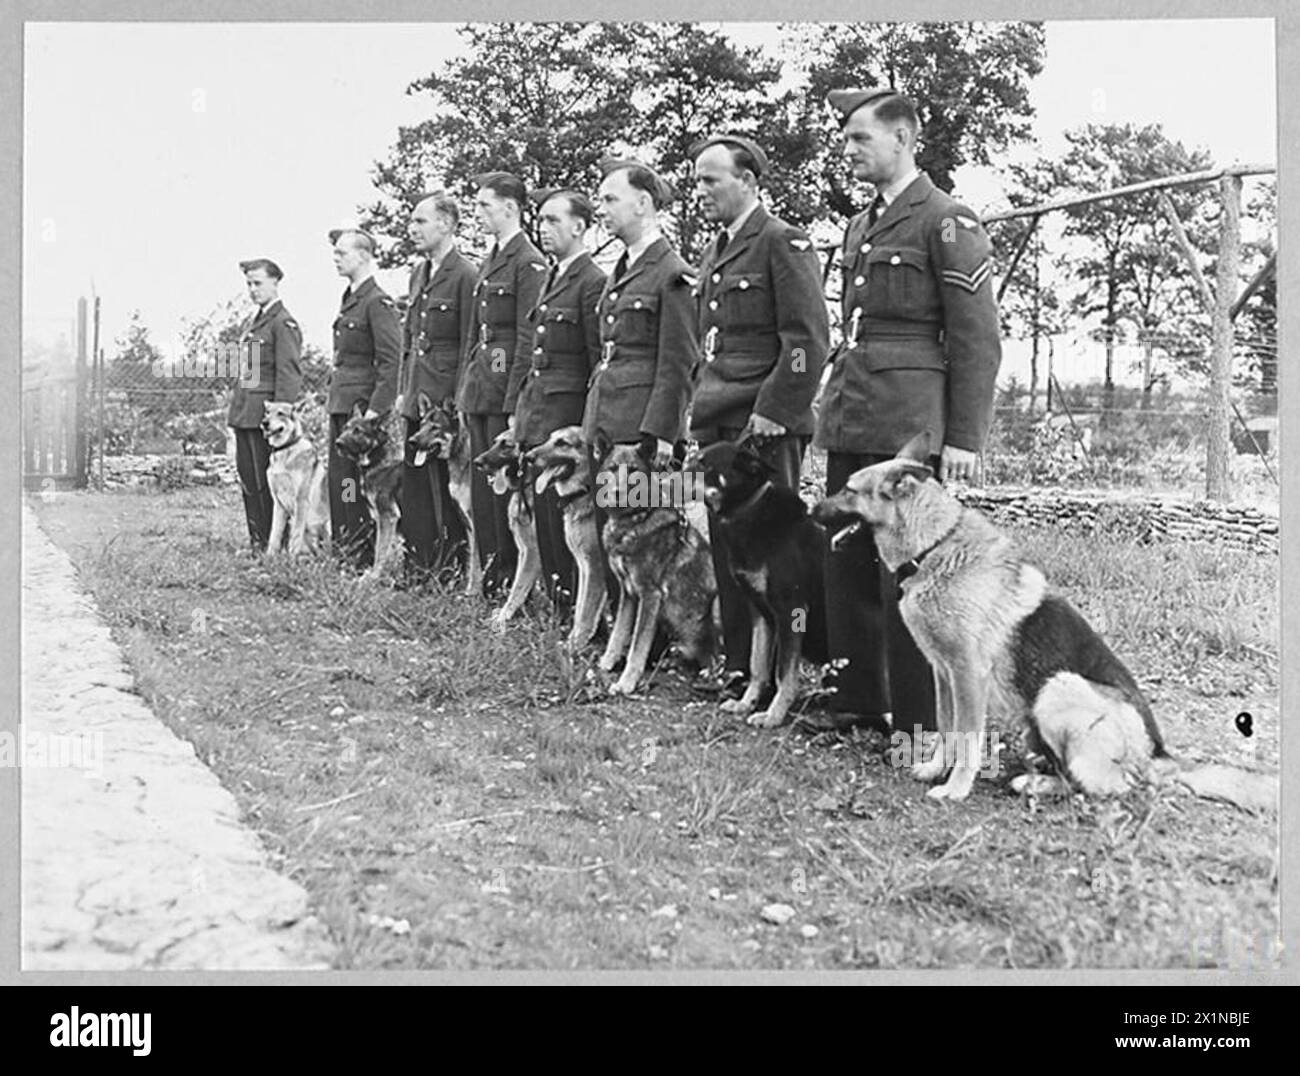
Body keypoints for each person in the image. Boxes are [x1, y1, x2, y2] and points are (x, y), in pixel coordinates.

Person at [815, 87, 1001, 733]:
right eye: (845, 139)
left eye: (860, 137)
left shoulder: (946, 219)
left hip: (911, 425)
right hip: (856, 405)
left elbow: (977, 336)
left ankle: (919, 725)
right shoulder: (859, 224)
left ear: (902, 138)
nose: (849, 150)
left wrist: (966, 437)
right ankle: (859, 703)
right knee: (848, 563)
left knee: (917, 577)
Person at [690, 133, 829, 700]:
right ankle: (742, 670)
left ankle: (782, 679)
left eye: (710, 180)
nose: (699, 190)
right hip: (718, 419)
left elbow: (806, 340)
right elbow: (710, 344)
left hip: (762, 427)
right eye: (697, 179)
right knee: (730, 554)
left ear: (747, 182)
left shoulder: (782, 242)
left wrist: (775, 410)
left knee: (777, 562)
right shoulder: (716, 250)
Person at [583, 159, 697, 570]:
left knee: (648, 545)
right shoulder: (622, 269)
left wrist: (663, 435)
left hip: (644, 434)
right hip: (609, 420)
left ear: (643, 203)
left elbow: (680, 361)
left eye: (611, 199)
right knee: (614, 534)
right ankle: (614, 627)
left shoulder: (673, 273)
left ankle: (655, 635)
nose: (602, 209)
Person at [509, 187, 606, 604]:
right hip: (539, 408)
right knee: (544, 514)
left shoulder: (592, 281)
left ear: (580, 226)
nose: (543, 228)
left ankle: (572, 605)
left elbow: (595, 360)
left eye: (553, 220)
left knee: (569, 518)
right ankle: (554, 598)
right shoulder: (552, 276)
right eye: (541, 220)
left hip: (567, 414)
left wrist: (586, 426)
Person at [455, 172, 548, 595]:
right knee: (481, 490)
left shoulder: (528, 262)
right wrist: (466, 389)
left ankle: (509, 580)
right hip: (481, 389)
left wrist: (515, 400)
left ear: (510, 208)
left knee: (502, 490)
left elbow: (527, 336)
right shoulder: (491, 260)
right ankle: (490, 576)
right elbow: (480, 335)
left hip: (502, 394)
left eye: (485, 206)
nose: (478, 213)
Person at [398, 191, 477, 579]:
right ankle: (419, 564)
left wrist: (460, 398)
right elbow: (409, 339)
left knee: (448, 488)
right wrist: (403, 391)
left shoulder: (465, 274)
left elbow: (469, 343)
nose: (413, 229)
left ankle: (451, 566)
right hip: (417, 397)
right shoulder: (419, 272)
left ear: (445, 224)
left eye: (420, 221)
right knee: (415, 484)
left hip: (445, 401)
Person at [326, 227, 402, 568]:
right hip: (343, 405)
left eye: (342, 253)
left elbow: (391, 360)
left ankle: (357, 553)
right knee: (343, 480)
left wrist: (376, 411)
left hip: (363, 415)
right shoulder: (351, 297)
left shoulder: (377, 302)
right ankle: (345, 547)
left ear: (363, 255)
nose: (336, 258)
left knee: (359, 484)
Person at [227, 258, 303, 552]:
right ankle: (257, 543)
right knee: (250, 482)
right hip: (246, 412)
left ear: (275, 282)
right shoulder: (256, 321)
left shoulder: (283, 323)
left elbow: (289, 373)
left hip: (266, 418)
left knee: (267, 484)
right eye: (249, 284)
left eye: (258, 283)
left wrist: (279, 418)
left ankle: (276, 546)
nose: (252, 289)